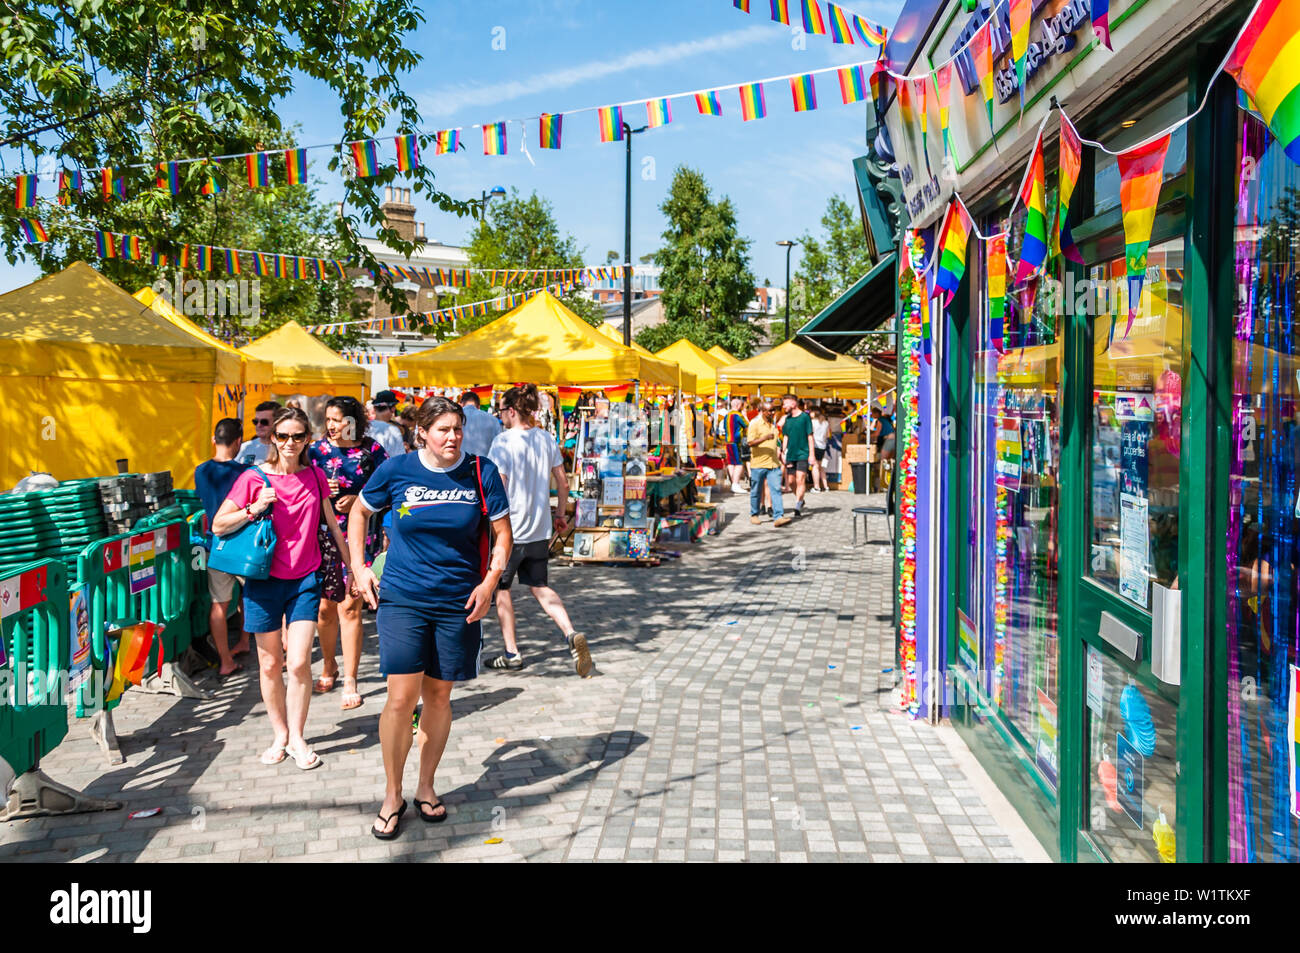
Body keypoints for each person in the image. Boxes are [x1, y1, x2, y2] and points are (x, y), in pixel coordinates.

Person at [350, 397, 513, 838]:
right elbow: (359, 512)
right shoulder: (397, 470)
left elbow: (502, 534)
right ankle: (391, 794)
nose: (452, 437)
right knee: (401, 699)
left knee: (439, 698)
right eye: (442, 429)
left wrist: (490, 582)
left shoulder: (481, 471)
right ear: (422, 431)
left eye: (457, 429)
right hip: (403, 598)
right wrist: (359, 567)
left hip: (459, 602)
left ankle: (426, 786)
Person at [213, 407, 347, 771]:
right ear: (273, 437)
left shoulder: (315, 475)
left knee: (300, 660)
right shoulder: (252, 477)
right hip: (262, 582)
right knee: (270, 663)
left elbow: (333, 526)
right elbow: (219, 525)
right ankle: (280, 735)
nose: (290, 442)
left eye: (298, 436)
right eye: (283, 435)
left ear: (308, 440)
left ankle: (299, 737)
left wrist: (356, 570)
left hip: (305, 578)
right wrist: (254, 508)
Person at [483, 383, 592, 675]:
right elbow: (563, 481)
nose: (500, 416)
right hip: (539, 528)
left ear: (511, 411)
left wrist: (492, 525)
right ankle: (570, 633)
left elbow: (499, 486)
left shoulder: (503, 442)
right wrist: (560, 514)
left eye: (502, 411)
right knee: (539, 586)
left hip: (510, 529)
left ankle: (511, 652)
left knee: (501, 588)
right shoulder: (545, 438)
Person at [308, 396, 389, 710]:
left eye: (337, 419)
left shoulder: (373, 452)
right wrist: (321, 495)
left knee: (350, 608)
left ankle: (351, 680)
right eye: (327, 419)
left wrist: (358, 498)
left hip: (360, 539)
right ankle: (329, 664)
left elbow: (392, 491)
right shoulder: (315, 452)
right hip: (322, 540)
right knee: (325, 610)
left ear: (354, 420)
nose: (331, 425)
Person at [194, 418, 251, 676]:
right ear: (238, 441)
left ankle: (226, 660)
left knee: (219, 604)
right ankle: (255, 643)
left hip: (215, 545)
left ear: (213, 440)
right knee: (252, 598)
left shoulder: (200, 471)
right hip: (244, 545)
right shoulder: (244, 473)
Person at [746, 399, 792, 528]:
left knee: (776, 490)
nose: (773, 412)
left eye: (774, 410)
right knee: (756, 491)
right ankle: (754, 515)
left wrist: (781, 455)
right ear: (762, 411)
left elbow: (776, 443)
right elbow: (750, 442)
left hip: (773, 464)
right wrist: (764, 438)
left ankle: (778, 517)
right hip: (758, 464)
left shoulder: (773, 424)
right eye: (770, 410)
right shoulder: (754, 424)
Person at [780, 394, 815, 516]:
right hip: (791, 454)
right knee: (790, 482)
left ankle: (798, 504)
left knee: (800, 479)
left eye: (785, 404)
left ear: (793, 403)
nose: (783, 406)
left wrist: (812, 454)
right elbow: (785, 436)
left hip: (802, 453)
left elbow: (810, 436)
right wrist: (783, 452)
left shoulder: (805, 417)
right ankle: (801, 499)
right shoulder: (787, 419)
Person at [459, 390, 503, 457]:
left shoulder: (455, 418)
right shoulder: (493, 420)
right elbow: (500, 446)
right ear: (479, 406)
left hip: (459, 464)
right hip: (485, 464)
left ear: (461, 404)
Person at [237, 401, 281, 465]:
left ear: (277, 422)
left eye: (264, 422)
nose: (258, 425)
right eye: (256, 421)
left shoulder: (286, 449)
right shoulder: (244, 448)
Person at [368, 390, 408, 459]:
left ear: (374, 408)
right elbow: (399, 458)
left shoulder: (364, 427)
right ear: (393, 409)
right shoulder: (393, 430)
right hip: (385, 468)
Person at [724, 396, 749, 492]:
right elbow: (747, 425)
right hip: (736, 442)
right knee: (739, 463)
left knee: (731, 462)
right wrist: (745, 415)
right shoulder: (738, 415)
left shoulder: (727, 415)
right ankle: (735, 484)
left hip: (728, 441)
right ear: (738, 405)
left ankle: (733, 483)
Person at [810, 407, 831, 492]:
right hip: (822, 446)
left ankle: (816, 487)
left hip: (814, 445)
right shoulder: (826, 423)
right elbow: (828, 435)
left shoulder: (812, 422)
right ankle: (826, 486)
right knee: (821, 467)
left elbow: (810, 434)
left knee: (815, 466)